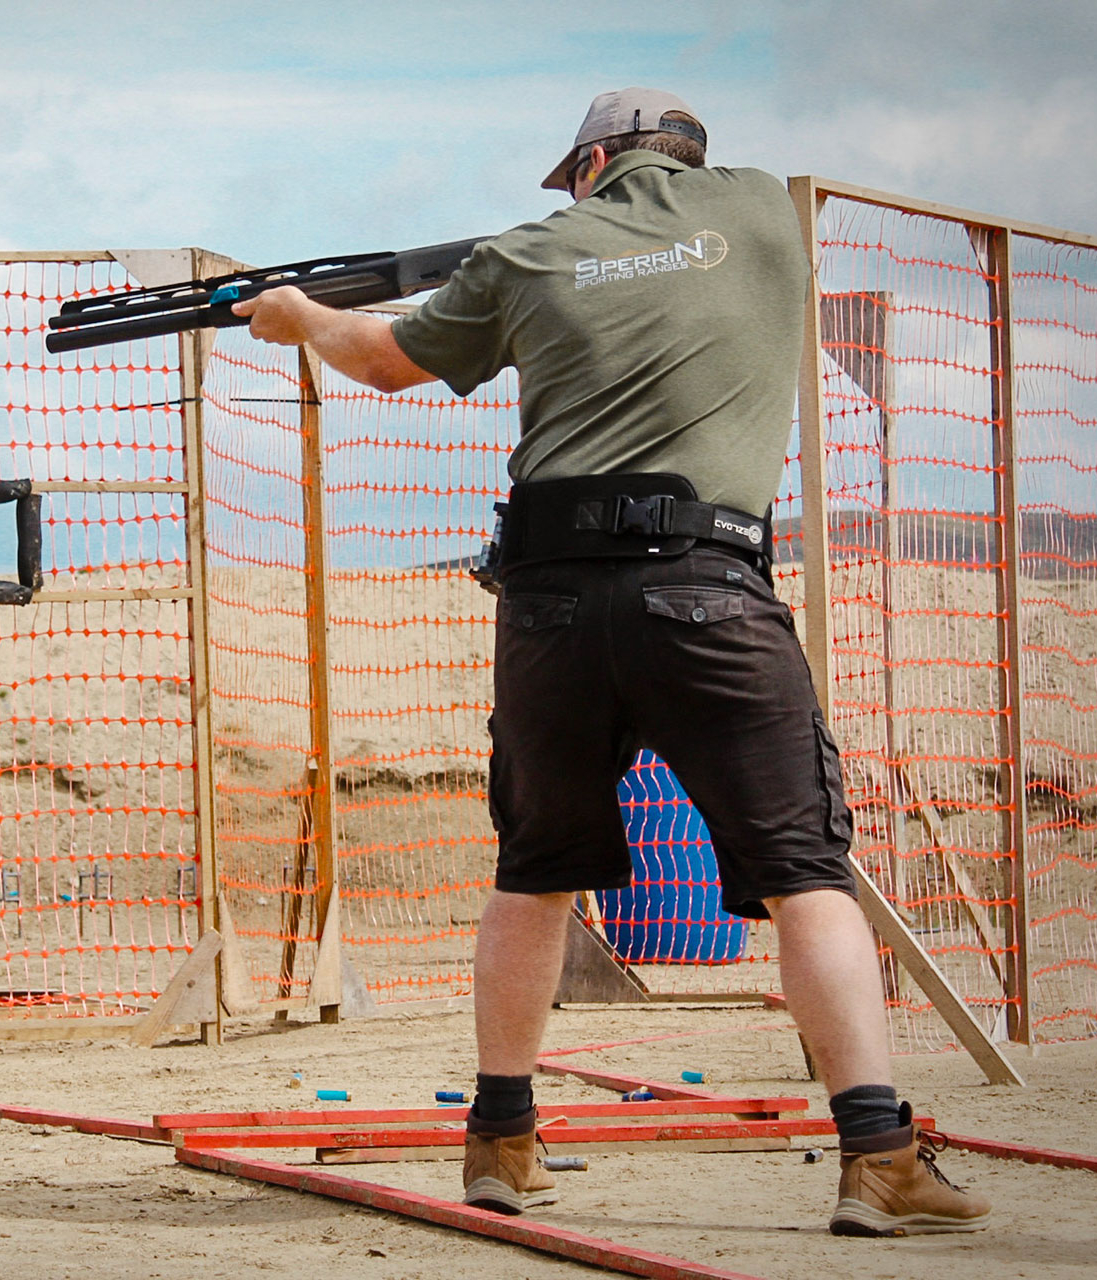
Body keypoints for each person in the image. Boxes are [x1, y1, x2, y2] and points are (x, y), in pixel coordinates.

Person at [232, 87, 991, 1238]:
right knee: (802, 869)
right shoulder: (767, 211)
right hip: (706, 586)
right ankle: (878, 1152)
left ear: (590, 165)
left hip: (549, 604)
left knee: (535, 866)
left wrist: (298, 316)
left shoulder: (526, 255)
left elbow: (382, 360)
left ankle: (501, 1138)